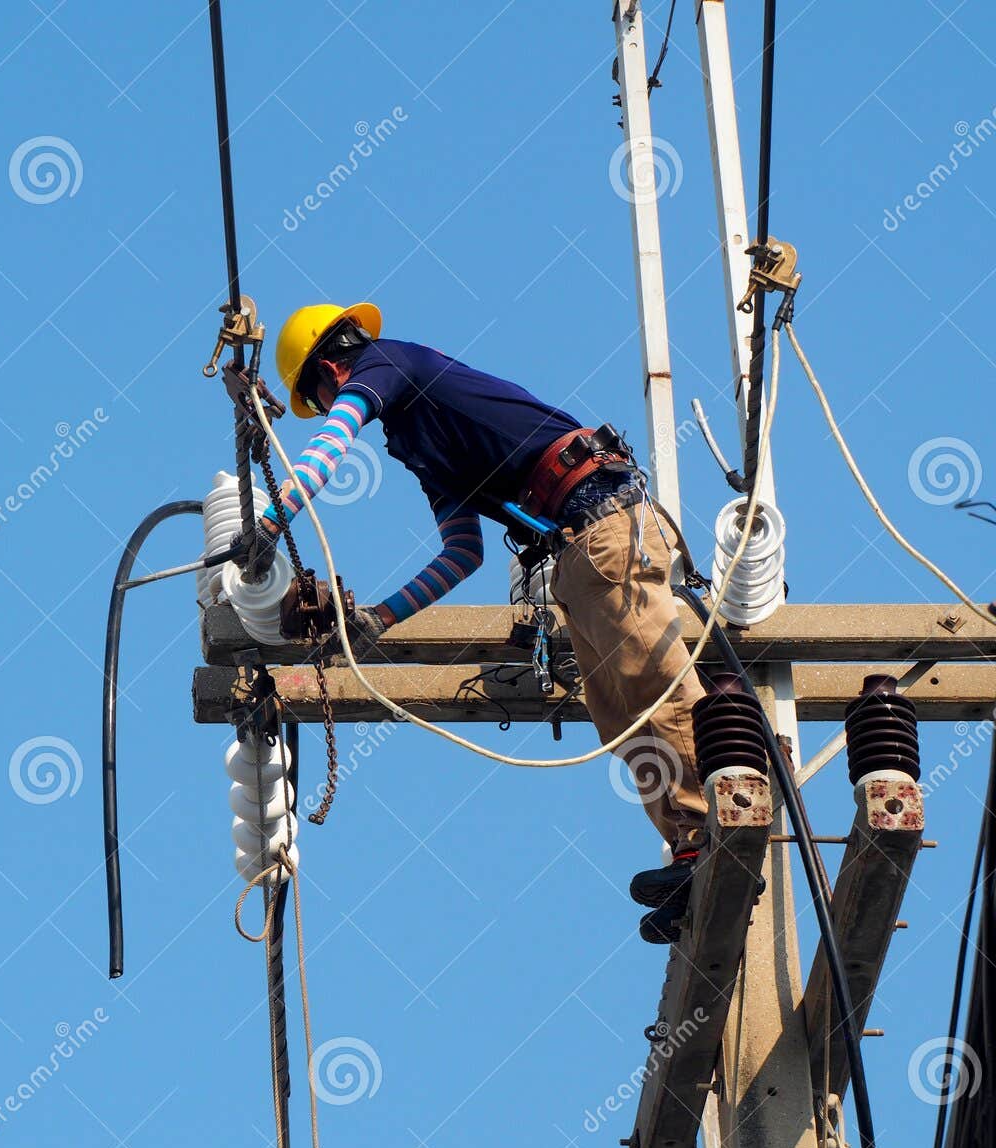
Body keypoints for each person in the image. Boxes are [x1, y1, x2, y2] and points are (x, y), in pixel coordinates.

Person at [255, 301, 709, 943]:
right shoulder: (420, 443)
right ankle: (694, 850)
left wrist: (273, 517)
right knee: (618, 711)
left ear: (332, 366)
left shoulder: (392, 362)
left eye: (322, 396)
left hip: (606, 521)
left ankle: (719, 822)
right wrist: (379, 620)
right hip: (579, 552)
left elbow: (333, 444)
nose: (331, 405)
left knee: (651, 683)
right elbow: (462, 552)